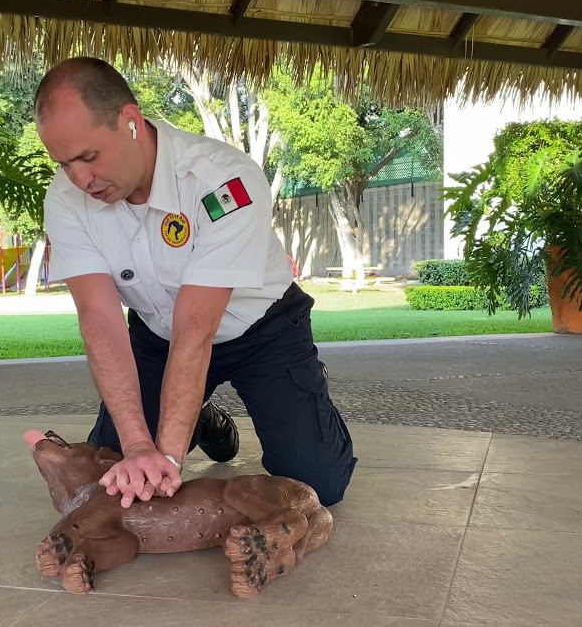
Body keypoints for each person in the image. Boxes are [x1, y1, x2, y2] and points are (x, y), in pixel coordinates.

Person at [34, 57, 357, 509]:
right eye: (65, 163)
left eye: (89, 156)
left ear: (130, 122)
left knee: (317, 484)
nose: (80, 179)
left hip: (263, 331)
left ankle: (302, 402)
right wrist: (138, 446)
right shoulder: (66, 198)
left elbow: (197, 329)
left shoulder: (223, 181)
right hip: (157, 335)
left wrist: (166, 453)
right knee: (113, 469)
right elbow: (99, 320)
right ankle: (198, 417)